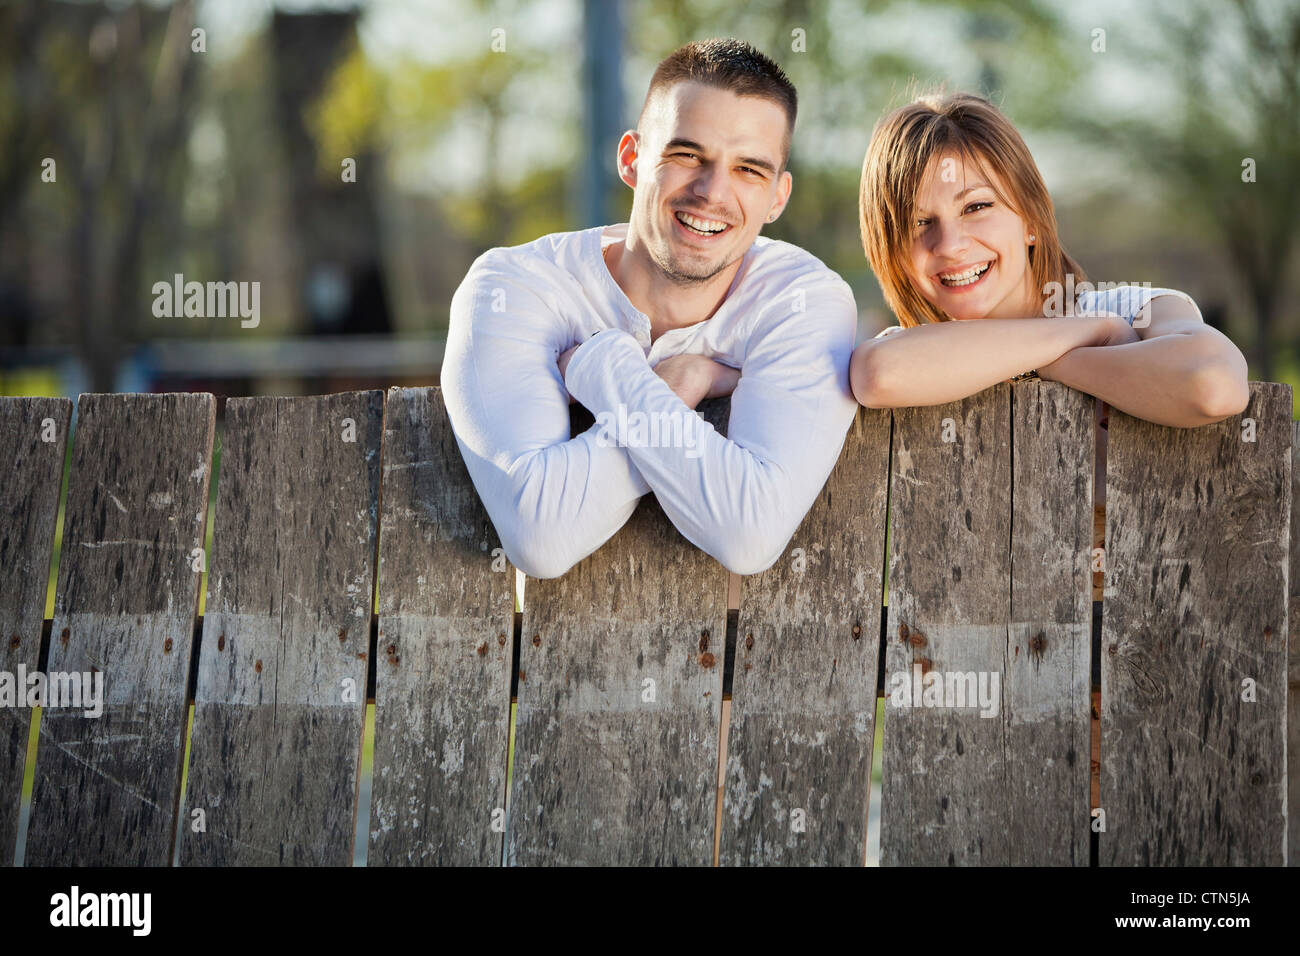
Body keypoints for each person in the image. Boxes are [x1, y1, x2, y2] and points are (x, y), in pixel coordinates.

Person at [441, 38, 860, 579]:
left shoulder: (802, 301)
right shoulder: (515, 285)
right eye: (688, 155)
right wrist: (678, 390)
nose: (712, 193)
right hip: (516, 649)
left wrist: (602, 366)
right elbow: (540, 536)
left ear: (778, 197)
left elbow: (748, 535)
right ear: (632, 160)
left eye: (748, 170)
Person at [849, 91, 1251, 604]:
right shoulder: (923, 355)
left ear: (1031, 219)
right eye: (918, 222)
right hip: (975, 640)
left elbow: (1212, 385)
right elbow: (877, 373)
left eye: (977, 206)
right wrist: (1082, 338)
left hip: (1145, 632)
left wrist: (1063, 358)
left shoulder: (1133, 310)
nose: (949, 244)